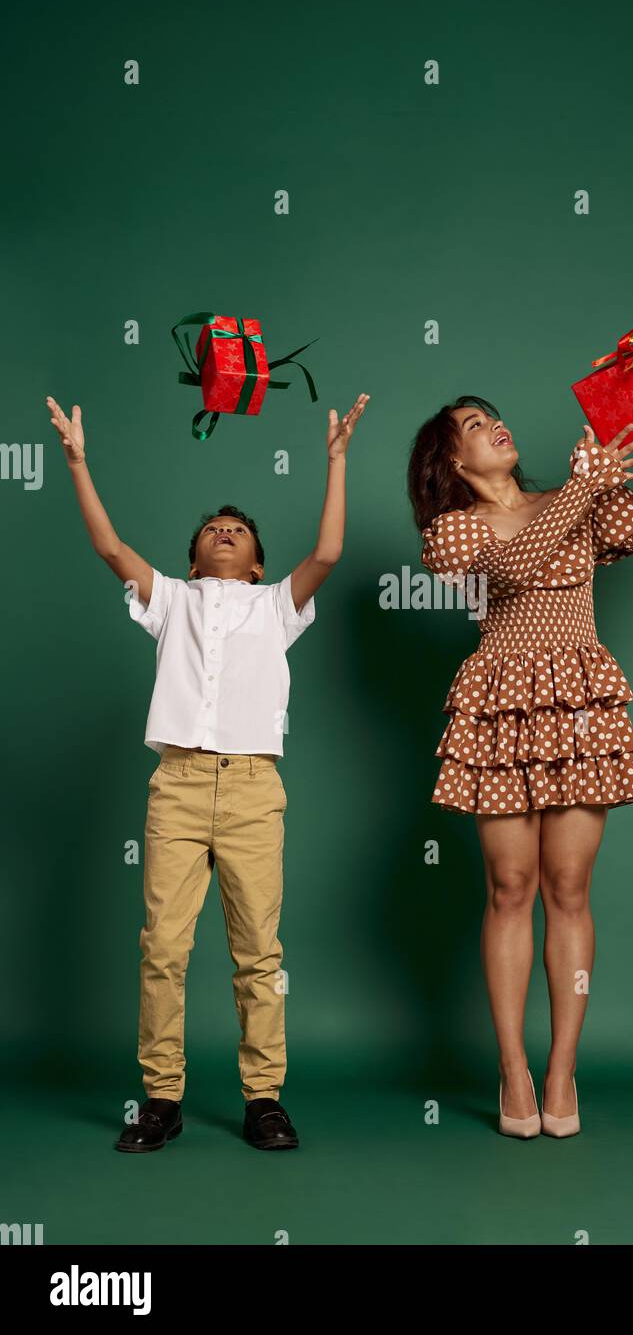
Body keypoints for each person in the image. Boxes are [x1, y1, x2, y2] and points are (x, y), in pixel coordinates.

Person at [409, 394, 633, 1138]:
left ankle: (562, 1070)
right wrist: (582, 486)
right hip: (499, 703)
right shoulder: (452, 530)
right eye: (471, 427)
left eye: (491, 416)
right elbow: (514, 567)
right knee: (509, 886)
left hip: (579, 703)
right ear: (452, 463)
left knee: (568, 885)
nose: (492, 426)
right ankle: (512, 1071)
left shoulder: (580, 494)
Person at [46, 391, 368, 1152]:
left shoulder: (275, 607)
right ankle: (161, 1097)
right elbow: (111, 549)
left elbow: (325, 555)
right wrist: (77, 462)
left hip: (255, 790)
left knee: (259, 950)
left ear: (256, 562)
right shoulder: (171, 603)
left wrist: (336, 462)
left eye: (239, 532)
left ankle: (264, 1097)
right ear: (194, 558)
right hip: (179, 788)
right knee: (163, 945)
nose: (225, 534)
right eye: (212, 531)